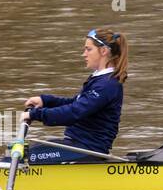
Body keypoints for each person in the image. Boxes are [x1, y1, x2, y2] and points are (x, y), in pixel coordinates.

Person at [20, 28, 128, 164]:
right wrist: (45, 101)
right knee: (21, 151)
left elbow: (74, 113)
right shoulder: (100, 80)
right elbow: (75, 103)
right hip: (78, 146)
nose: (84, 54)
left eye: (88, 49)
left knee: (23, 157)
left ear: (103, 51)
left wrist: (35, 115)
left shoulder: (107, 85)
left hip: (88, 150)